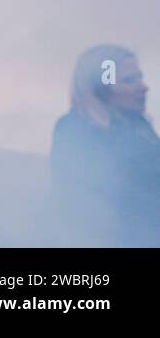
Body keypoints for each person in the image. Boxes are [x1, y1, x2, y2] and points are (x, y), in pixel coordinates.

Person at [50, 45, 160, 246]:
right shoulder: (76, 130)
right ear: (101, 89)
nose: (144, 86)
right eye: (129, 80)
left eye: (140, 77)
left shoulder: (138, 125)